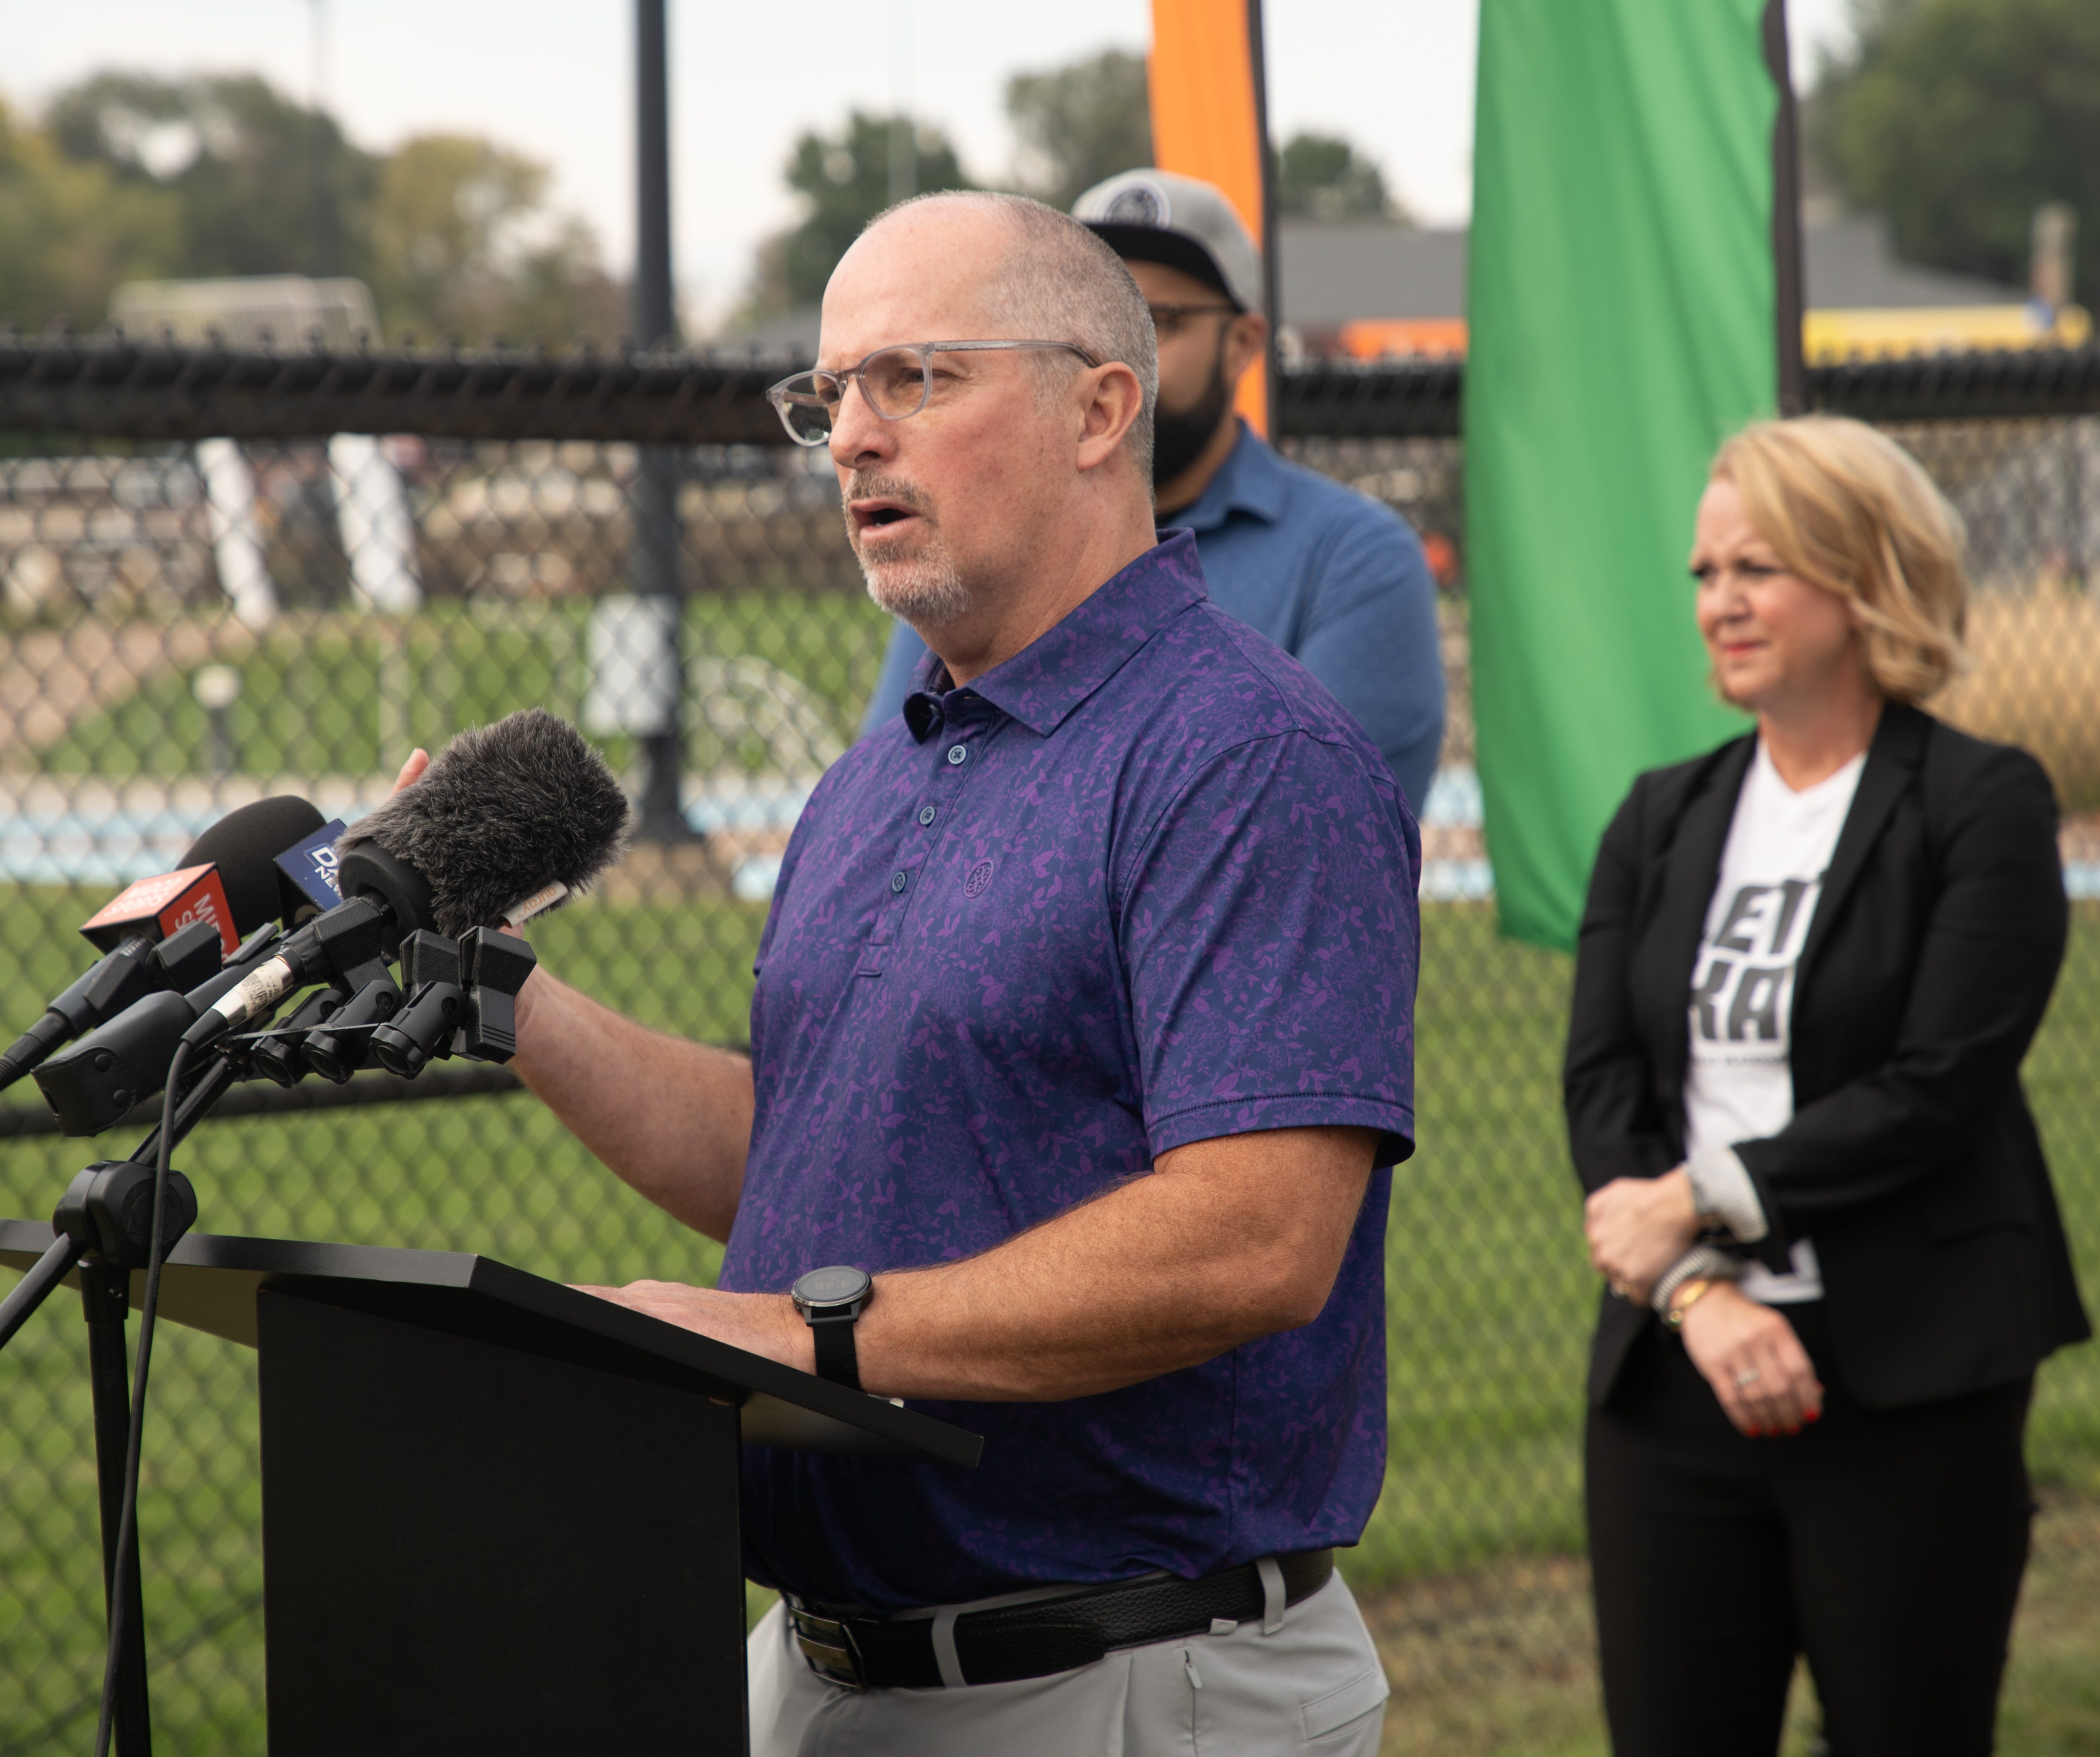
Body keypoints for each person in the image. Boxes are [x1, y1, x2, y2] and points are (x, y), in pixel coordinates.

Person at [492, 191, 1419, 1754]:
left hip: (1120, 1676)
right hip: (818, 1668)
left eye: (915, 378)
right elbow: (810, 1161)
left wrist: (792, 1332)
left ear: (1098, 409)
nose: (853, 437)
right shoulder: (878, 770)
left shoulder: (1244, 754)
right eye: (830, 393)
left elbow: (1257, 1237)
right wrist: (511, 1001)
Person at [1565, 415, 2089, 1756]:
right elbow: (1604, 1085)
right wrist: (1694, 1290)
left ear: (1864, 577)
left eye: (1758, 566)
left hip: (1906, 1382)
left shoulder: (1979, 803)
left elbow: (1939, 1086)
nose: (1719, 602)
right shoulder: (1657, 815)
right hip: (1678, 1382)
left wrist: (1693, 1197)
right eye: (1701, 573)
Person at [857, 168, 1447, 816]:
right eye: (1091, 327)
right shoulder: (982, 543)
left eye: (1156, 321)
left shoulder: (1351, 558)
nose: (1122, 353)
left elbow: (1291, 843)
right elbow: (890, 812)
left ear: (1242, 344)